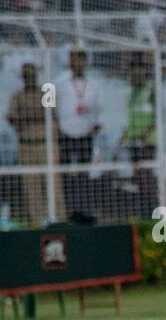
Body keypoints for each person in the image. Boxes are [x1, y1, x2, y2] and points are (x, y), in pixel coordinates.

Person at [7, 62, 64, 225]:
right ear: (23, 78)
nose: (29, 79)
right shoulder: (17, 96)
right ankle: (37, 221)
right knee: (31, 186)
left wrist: (27, 117)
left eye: (31, 75)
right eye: (26, 76)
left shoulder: (46, 91)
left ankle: (58, 219)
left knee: (53, 184)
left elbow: (51, 115)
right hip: (26, 145)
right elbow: (12, 118)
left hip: (46, 144)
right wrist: (30, 117)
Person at [53, 49, 101, 219]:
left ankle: (84, 210)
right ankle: (67, 210)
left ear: (85, 62)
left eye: (80, 60)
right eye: (74, 60)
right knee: (65, 173)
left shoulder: (94, 84)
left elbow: (98, 109)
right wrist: (53, 123)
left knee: (84, 173)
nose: (77, 64)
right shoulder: (59, 81)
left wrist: (95, 125)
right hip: (65, 133)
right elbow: (47, 99)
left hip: (85, 134)